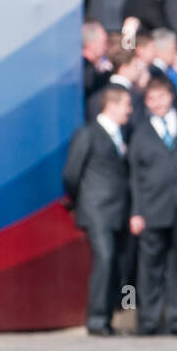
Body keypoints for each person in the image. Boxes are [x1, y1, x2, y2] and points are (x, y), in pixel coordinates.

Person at [128, 76, 177, 336]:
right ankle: (149, 319)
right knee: (151, 267)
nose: (156, 102)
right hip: (152, 209)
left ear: (171, 96)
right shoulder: (140, 134)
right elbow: (135, 177)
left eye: (160, 96)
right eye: (150, 98)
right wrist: (136, 211)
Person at [62, 86, 133, 335]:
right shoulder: (88, 134)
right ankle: (97, 319)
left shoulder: (120, 135)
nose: (130, 110)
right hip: (97, 210)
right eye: (126, 104)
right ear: (111, 105)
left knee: (116, 263)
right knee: (104, 260)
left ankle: (112, 316)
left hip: (118, 211)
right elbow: (71, 173)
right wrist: (79, 202)